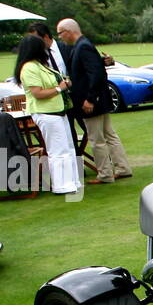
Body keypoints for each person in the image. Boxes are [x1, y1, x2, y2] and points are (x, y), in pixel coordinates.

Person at [56, 18, 131, 184]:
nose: (60, 37)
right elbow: (96, 69)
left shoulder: (82, 47)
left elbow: (96, 74)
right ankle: (122, 168)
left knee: (97, 139)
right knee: (109, 135)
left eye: (60, 33)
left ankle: (105, 174)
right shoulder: (83, 45)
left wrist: (90, 99)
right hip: (99, 99)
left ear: (69, 31)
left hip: (91, 101)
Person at [14, 34, 81, 196]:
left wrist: (64, 83)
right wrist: (60, 88)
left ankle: (74, 180)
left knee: (69, 147)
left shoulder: (41, 65)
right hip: (46, 113)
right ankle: (62, 184)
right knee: (58, 149)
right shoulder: (29, 68)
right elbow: (38, 93)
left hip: (59, 110)